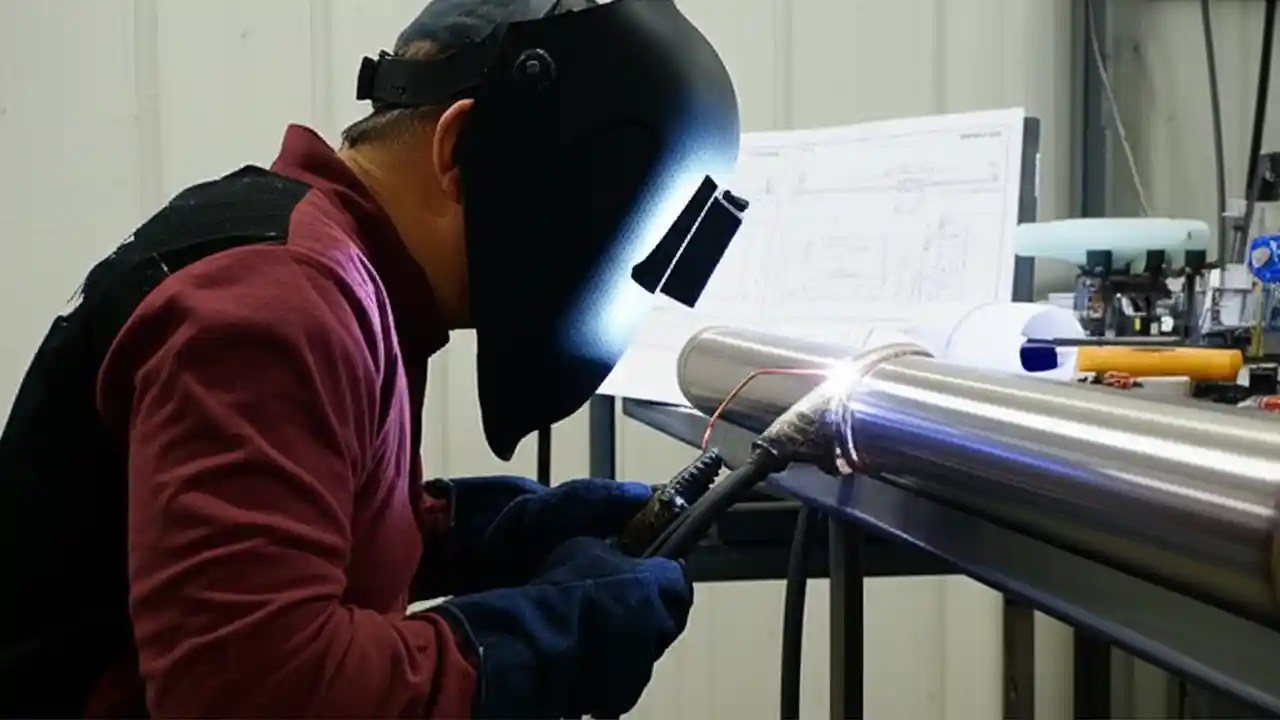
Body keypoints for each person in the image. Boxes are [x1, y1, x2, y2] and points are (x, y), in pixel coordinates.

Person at [0, 0, 743, 717]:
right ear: (460, 150)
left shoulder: (322, 266)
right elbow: (255, 693)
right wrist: (541, 643)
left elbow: (291, 538)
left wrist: (489, 535)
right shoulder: (278, 304)